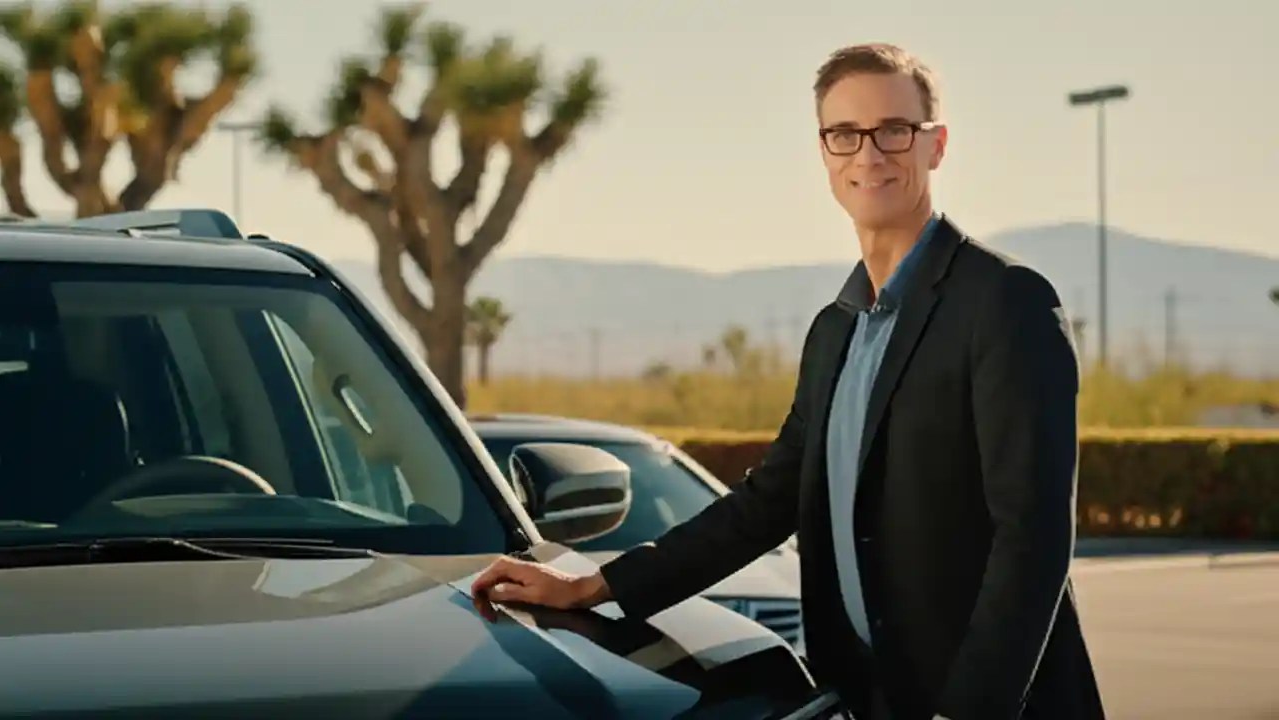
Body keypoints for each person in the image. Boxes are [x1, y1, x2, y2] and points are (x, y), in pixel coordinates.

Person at [470, 42, 1105, 720]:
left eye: (894, 130)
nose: (869, 154)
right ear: (825, 152)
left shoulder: (1004, 301)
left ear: (936, 146)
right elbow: (766, 503)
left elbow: (1033, 540)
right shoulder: (836, 329)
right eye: (844, 134)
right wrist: (591, 586)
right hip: (867, 699)